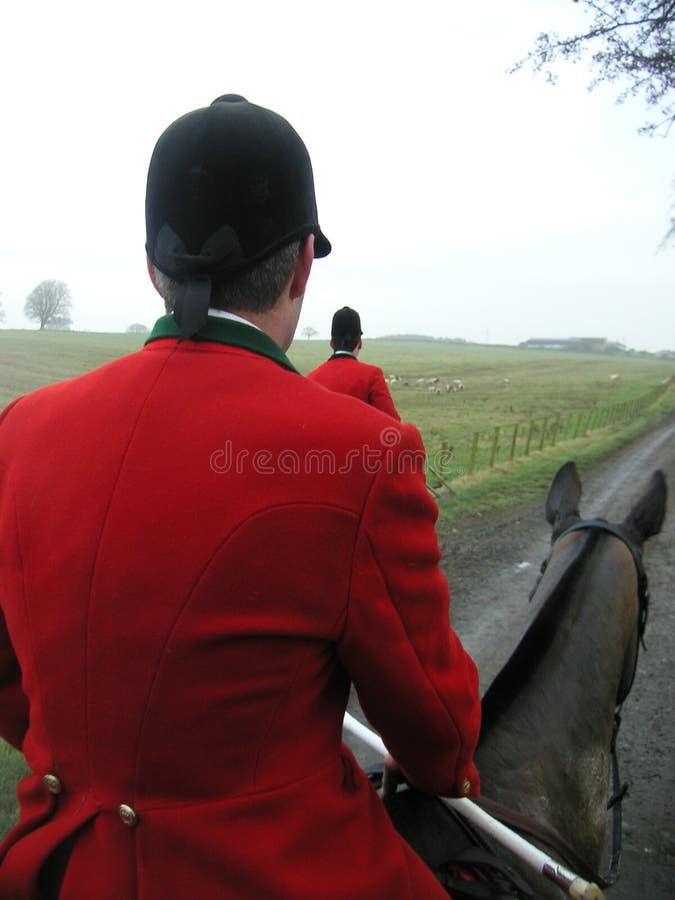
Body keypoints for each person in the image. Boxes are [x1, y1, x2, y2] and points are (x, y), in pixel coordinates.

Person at [0, 94, 481, 899]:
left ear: (154, 266)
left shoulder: (19, 430)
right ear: (301, 265)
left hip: (54, 870)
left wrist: (87, 774)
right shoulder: (363, 457)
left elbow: (9, 683)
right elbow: (435, 736)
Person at [307, 306, 401, 419]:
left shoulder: (311, 378)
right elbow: (392, 423)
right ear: (360, 343)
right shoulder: (372, 376)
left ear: (331, 343)